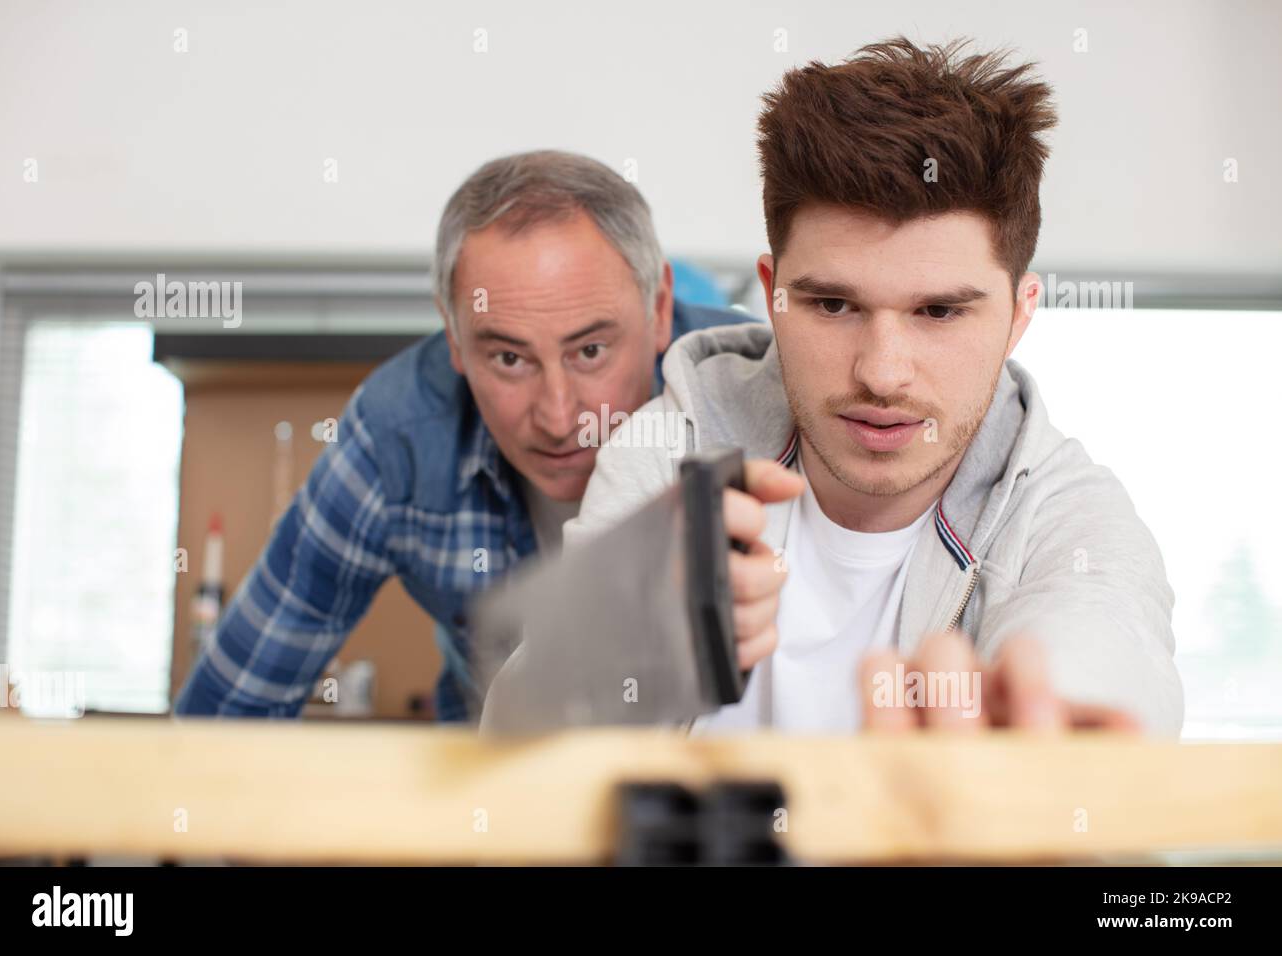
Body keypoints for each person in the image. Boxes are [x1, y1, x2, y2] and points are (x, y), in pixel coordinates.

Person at [548, 39, 1183, 736]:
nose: (881, 373)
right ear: (772, 294)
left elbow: (1104, 631)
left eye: (939, 311)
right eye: (833, 306)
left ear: (1018, 316)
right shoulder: (673, 452)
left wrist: (1047, 717)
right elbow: (517, 739)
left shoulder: (1068, 513)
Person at [174, 150, 768, 721]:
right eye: (509, 358)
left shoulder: (757, 390)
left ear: (660, 308)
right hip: (492, 796)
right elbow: (229, 710)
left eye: (590, 350)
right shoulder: (395, 436)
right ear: (454, 339)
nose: (559, 417)